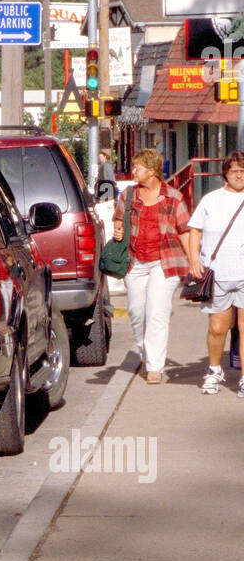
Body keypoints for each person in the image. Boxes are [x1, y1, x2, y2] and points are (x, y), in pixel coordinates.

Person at [112, 147, 191, 383]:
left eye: (138, 167)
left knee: (157, 311)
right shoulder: (128, 195)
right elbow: (118, 218)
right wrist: (118, 228)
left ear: (152, 171)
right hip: (134, 260)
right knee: (137, 313)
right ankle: (146, 354)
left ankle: (155, 366)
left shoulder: (174, 197)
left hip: (164, 261)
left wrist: (194, 261)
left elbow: (185, 231)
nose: (133, 171)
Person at [184, 150, 244, 396]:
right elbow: (194, 231)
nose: (240, 176)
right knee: (217, 328)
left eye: (243, 171)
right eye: (235, 172)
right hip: (217, 274)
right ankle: (214, 369)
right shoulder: (211, 200)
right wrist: (193, 259)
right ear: (225, 175)